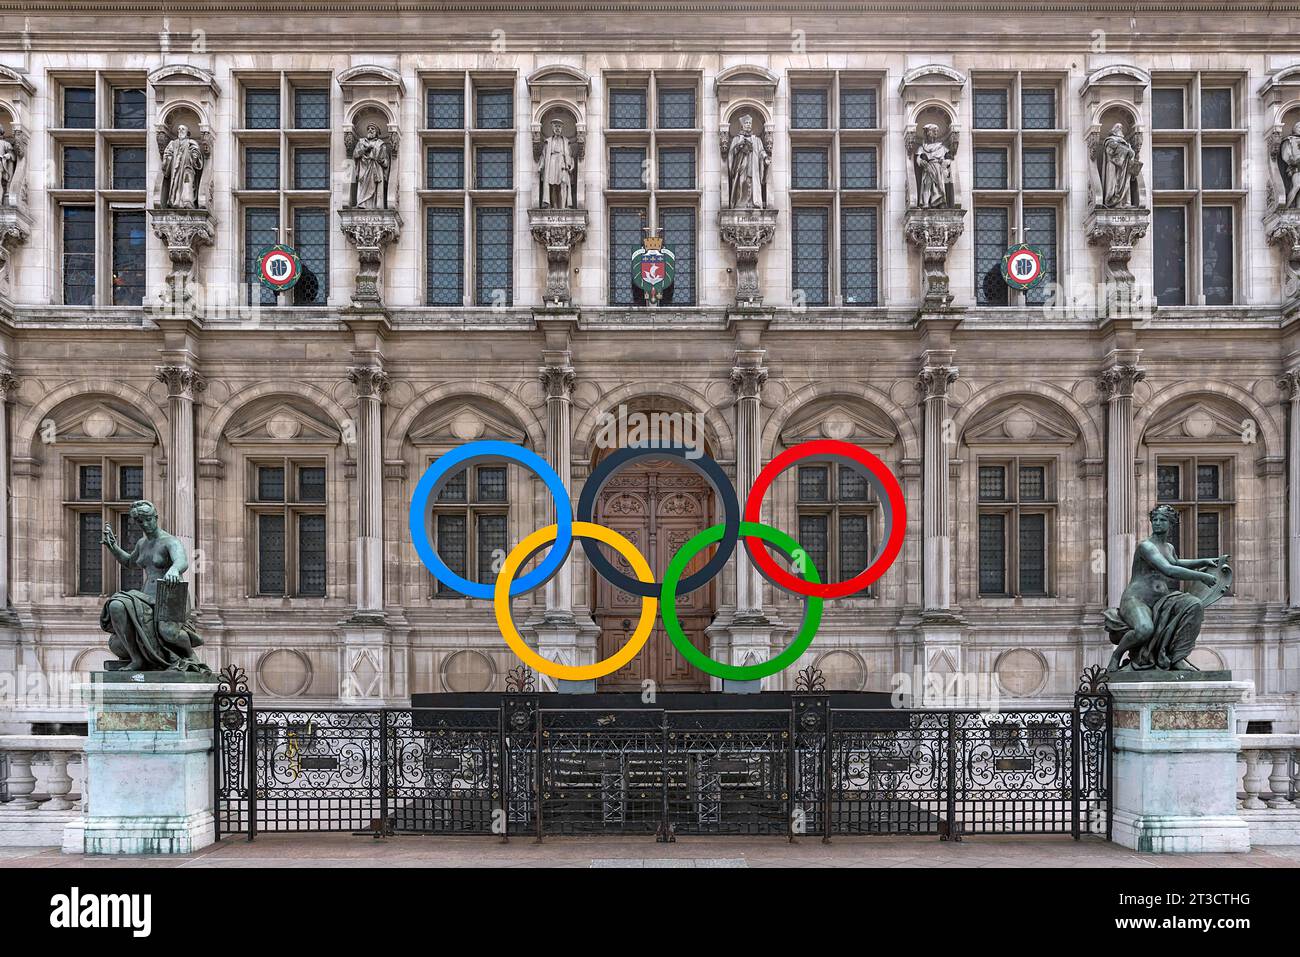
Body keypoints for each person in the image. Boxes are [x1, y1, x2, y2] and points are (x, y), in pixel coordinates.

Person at [1104, 504, 1227, 672]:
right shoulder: (1146, 546)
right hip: (1137, 600)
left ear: (1171, 523)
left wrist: (1203, 561)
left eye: (1162, 520)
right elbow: (1168, 569)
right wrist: (1201, 576)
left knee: (1193, 605)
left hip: (1161, 599)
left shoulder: (1169, 547)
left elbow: (1176, 562)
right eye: (1155, 519)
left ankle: (1177, 657)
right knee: (1144, 629)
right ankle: (1117, 655)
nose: (1157, 523)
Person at [100, 500, 208, 672]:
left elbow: (182, 561)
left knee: (168, 633)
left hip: (169, 594)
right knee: (116, 606)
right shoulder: (142, 544)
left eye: (149, 519)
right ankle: (137, 659)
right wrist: (113, 548)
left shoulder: (169, 541)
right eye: (140, 521)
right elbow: (129, 562)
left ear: (156, 517)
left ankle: (189, 655)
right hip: (147, 596)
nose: (146, 524)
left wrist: (173, 570)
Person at [727, 112, 768, 209]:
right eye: (746, 123)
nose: (748, 125)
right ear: (742, 125)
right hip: (741, 166)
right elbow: (731, 153)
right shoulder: (736, 139)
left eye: (749, 123)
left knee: (751, 183)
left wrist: (765, 157)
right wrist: (739, 146)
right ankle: (740, 203)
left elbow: (761, 151)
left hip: (753, 166)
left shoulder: (757, 140)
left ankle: (752, 203)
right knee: (742, 183)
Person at [160, 124, 202, 209]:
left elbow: (197, 154)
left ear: (187, 133)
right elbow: (167, 154)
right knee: (175, 184)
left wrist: (193, 156)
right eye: (179, 129)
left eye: (183, 129)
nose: (180, 131)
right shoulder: (173, 143)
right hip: (176, 168)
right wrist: (168, 158)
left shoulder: (191, 142)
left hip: (187, 168)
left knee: (188, 184)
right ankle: (175, 202)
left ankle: (187, 201)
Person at [537, 117, 574, 208]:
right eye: (556, 126)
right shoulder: (548, 142)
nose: (557, 128)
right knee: (552, 185)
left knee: (563, 183)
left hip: (562, 163)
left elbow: (570, 155)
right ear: (553, 128)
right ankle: (554, 206)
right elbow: (544, 155)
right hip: (552, 162)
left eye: (559, 126)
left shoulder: (566, 141)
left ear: (562, 128)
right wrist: (541, 166)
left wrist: (571, 165)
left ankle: (563, 206)